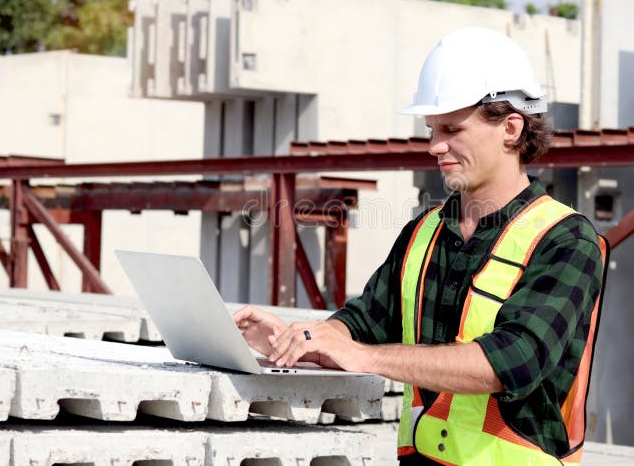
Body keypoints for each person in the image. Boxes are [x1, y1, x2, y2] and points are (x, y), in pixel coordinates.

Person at [233, 27, 608, 466]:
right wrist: (299, 340)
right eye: (431, 129)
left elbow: (513, 360)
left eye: (452, 128)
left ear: (510, 127)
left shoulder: (565, 239)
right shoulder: (423, 235)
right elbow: (362, 321)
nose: (435, 146)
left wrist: (361, 356)